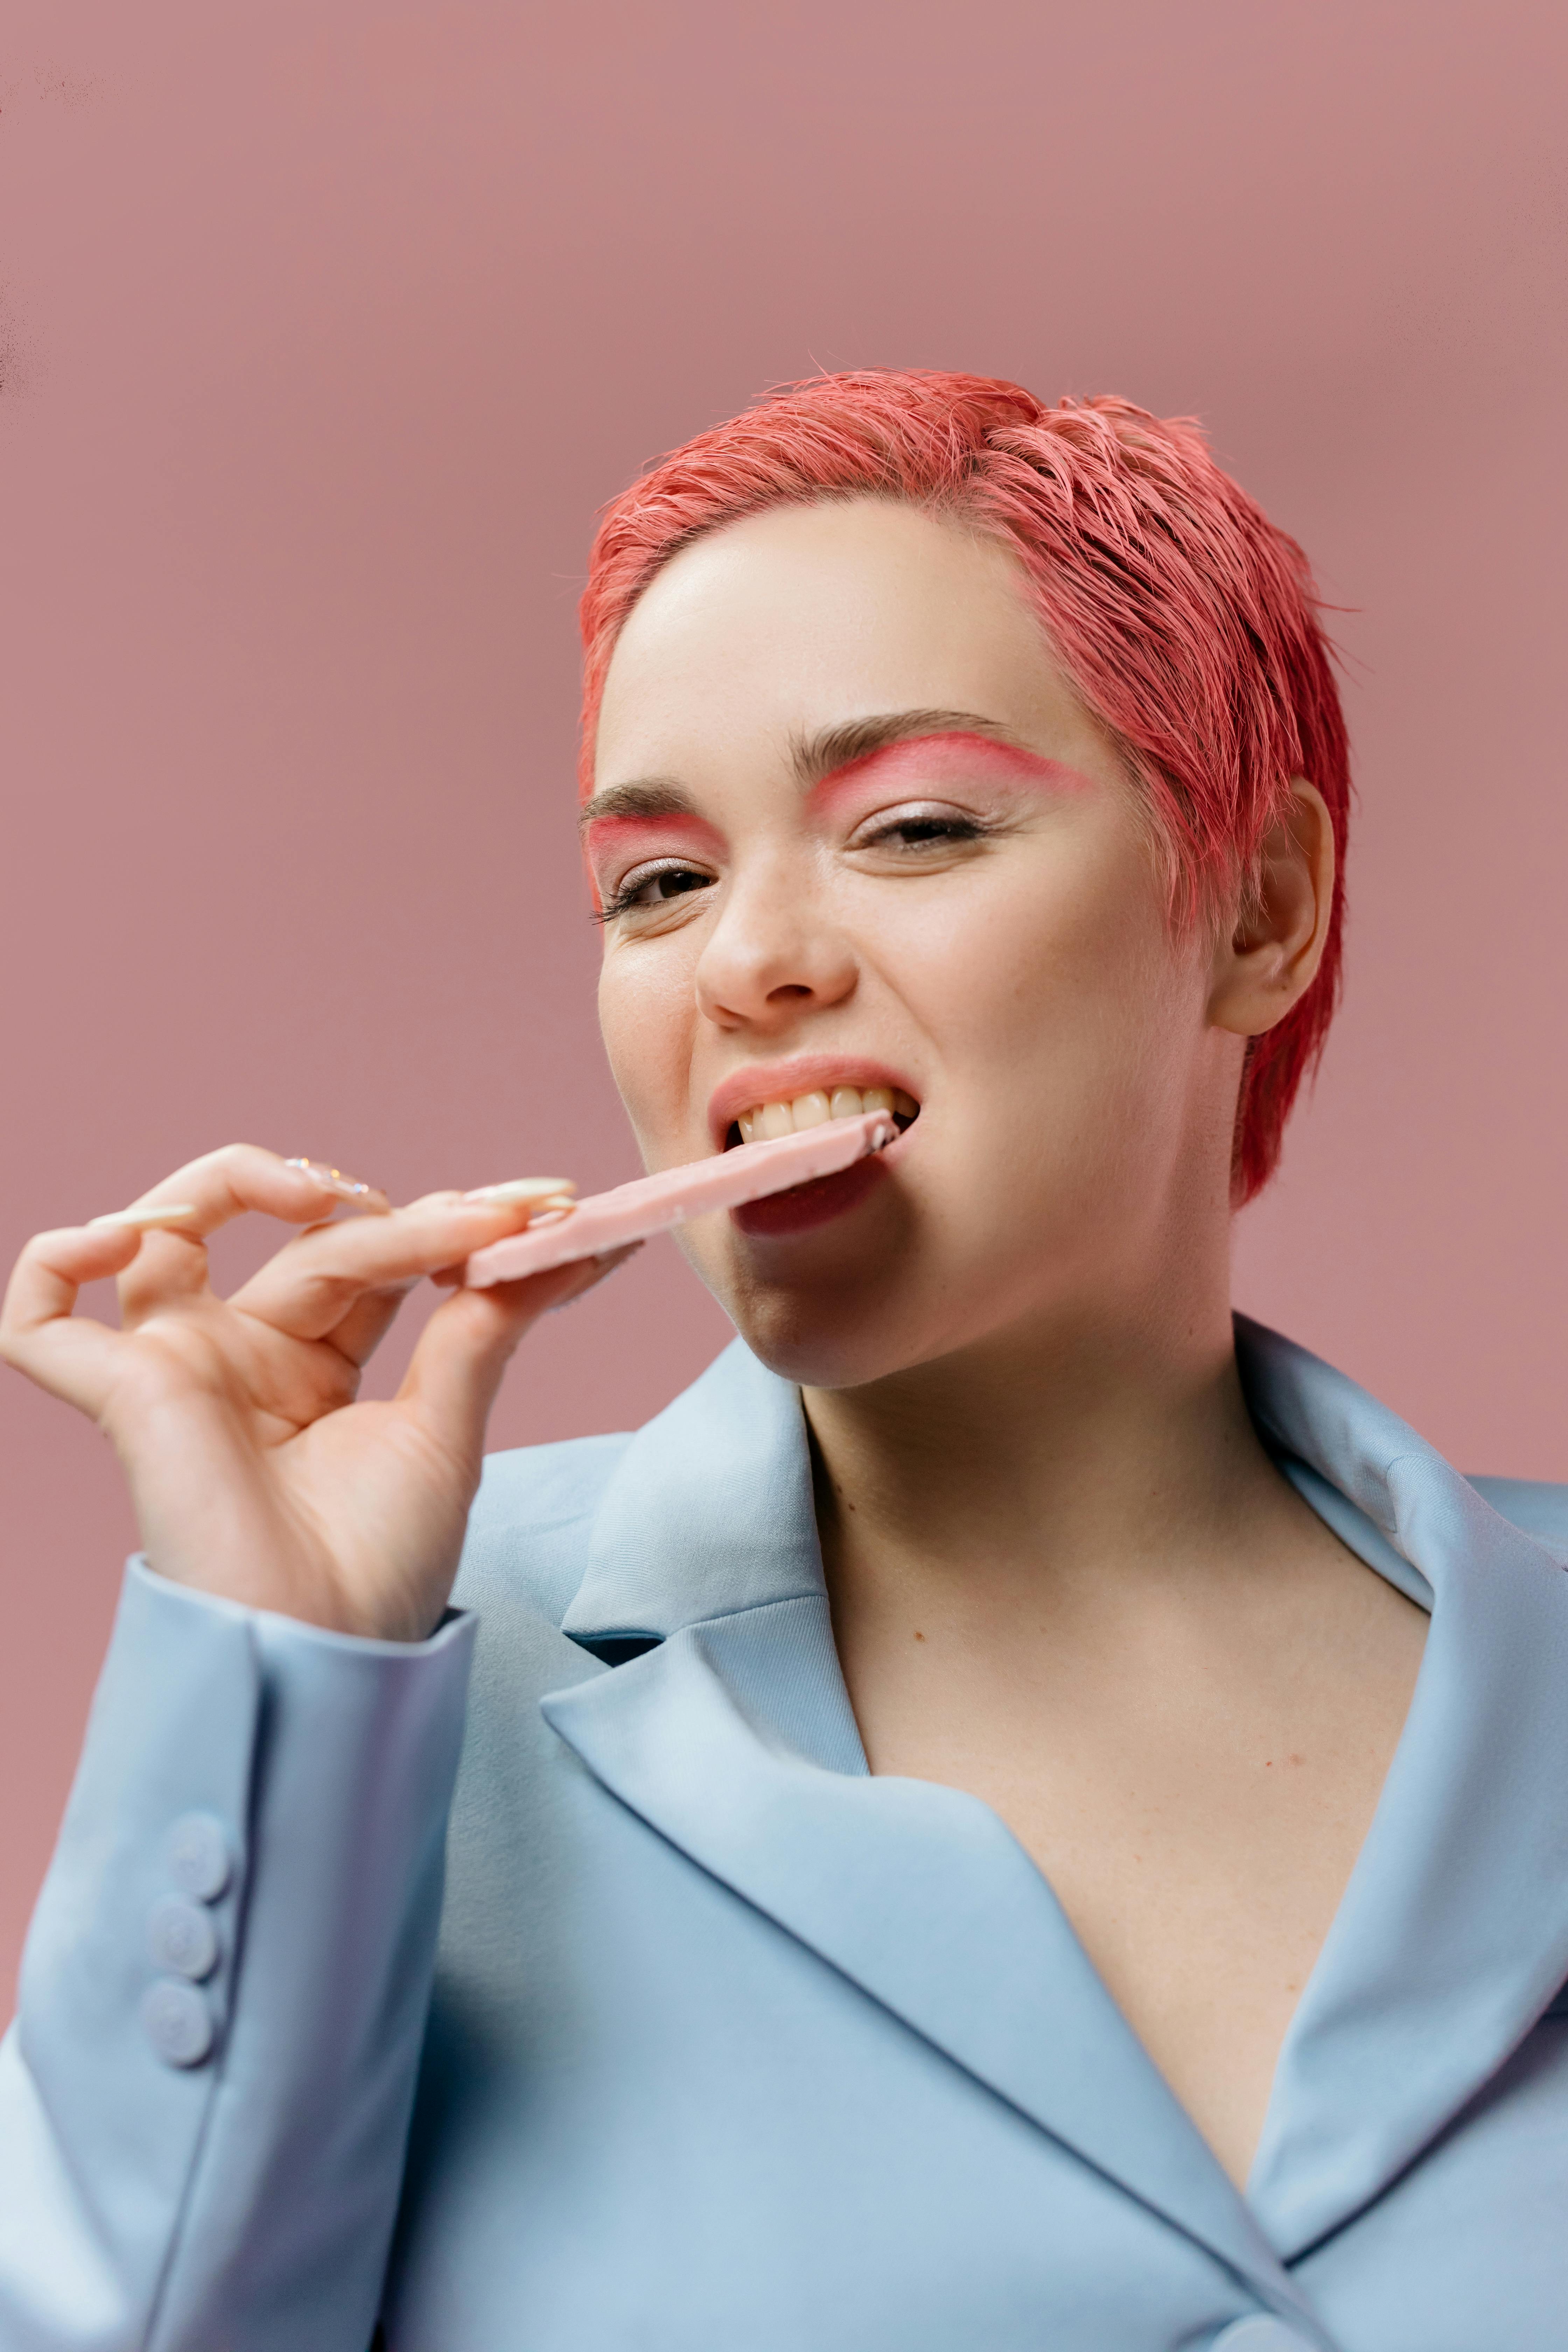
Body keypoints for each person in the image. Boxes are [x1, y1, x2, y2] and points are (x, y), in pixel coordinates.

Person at [1, 373, 1564, 2352]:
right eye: (656, 883)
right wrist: (269, 1686)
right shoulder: (391, 1689)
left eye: (908, 828)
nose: (745, 963)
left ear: (1257, 907)